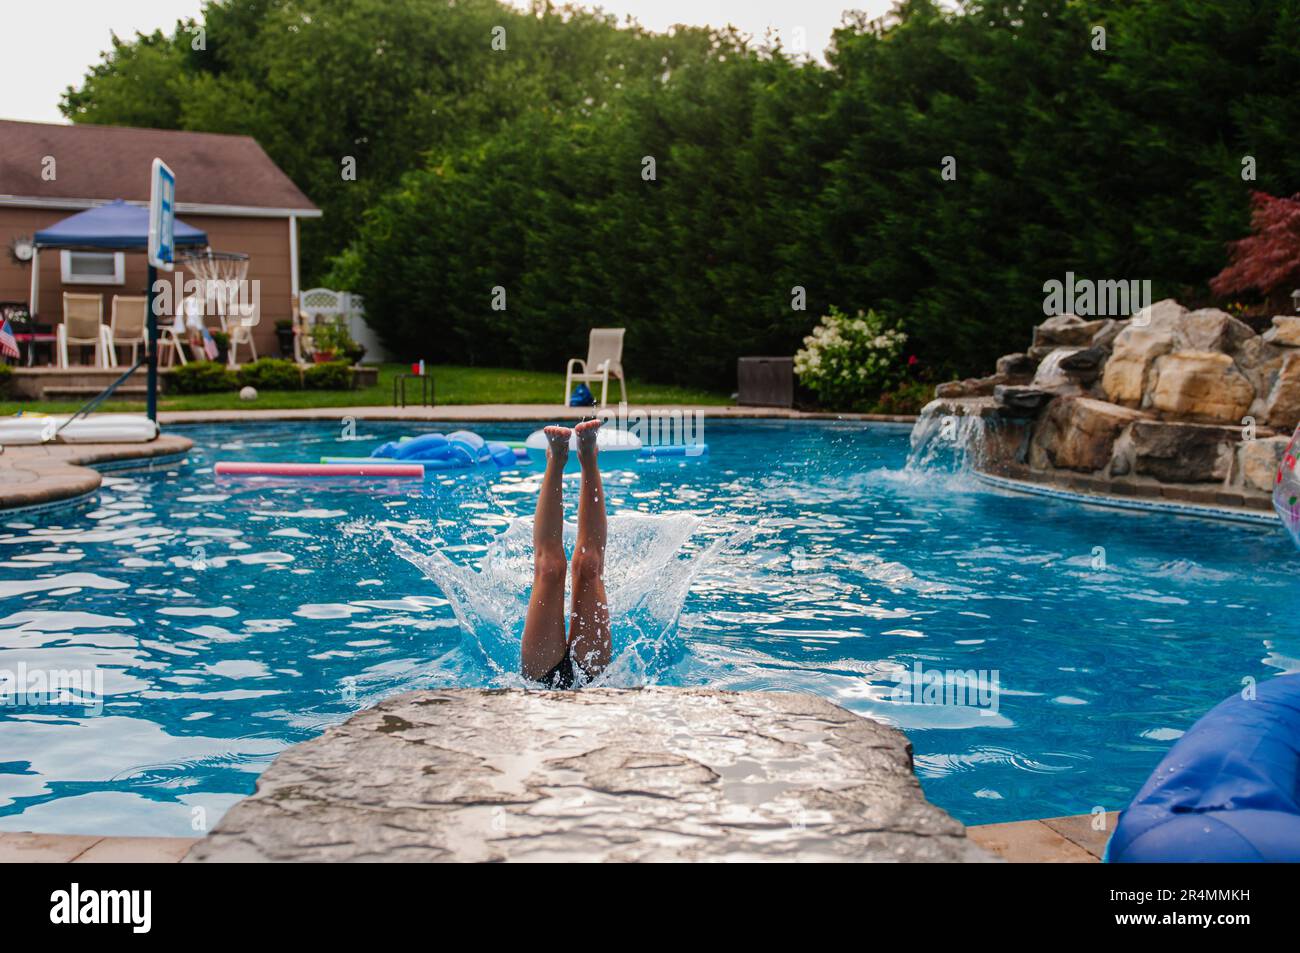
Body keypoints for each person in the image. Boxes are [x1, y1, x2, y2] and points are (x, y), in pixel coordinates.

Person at [520, 418, 611, 688]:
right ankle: (562, 457)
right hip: (591, 683)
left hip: (542, 684)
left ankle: (583, 456)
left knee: (587, 566)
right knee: (554, 569)